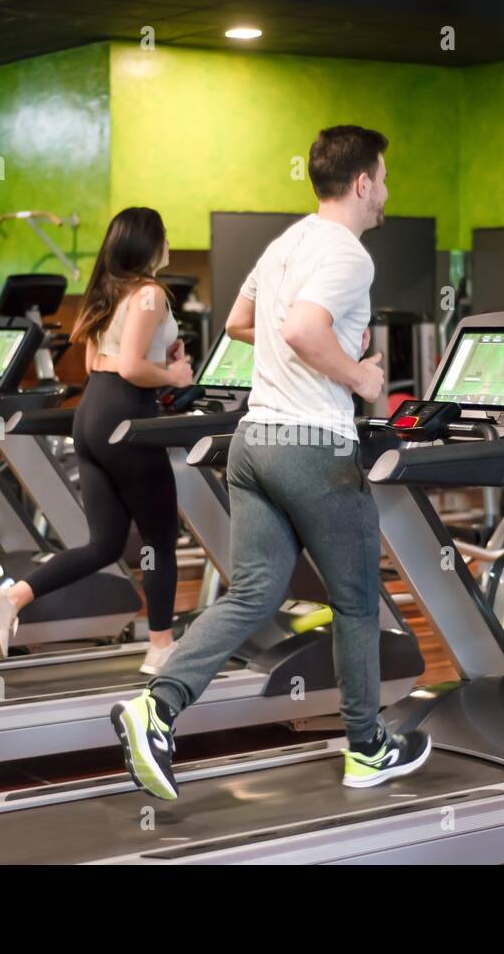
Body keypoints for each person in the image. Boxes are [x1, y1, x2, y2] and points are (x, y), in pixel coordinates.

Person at [111, 126, 431, 800]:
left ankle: (156, 706)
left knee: (255, 591)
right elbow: (298, 330)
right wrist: (361, 376)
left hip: (254, 444)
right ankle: (368, 747)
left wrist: (326, 344)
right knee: (355, 601)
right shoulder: (349, 255)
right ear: (364, 182)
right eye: (384, 179)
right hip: (312, 447)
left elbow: (238, 324)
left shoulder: (286, 244)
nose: (387, 194)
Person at [0, 207, 191, 674]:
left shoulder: (108, 292)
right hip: (127, 418)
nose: (168, 242)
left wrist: (157, 359)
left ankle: (11, 598)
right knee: (159, 538)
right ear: (148, 245)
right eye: (164, 235)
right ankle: (160, 647)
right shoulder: (150, 293)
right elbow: (132, 367)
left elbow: (97, 360)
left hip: (91, 416)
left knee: (105, 545)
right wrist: (172, 372)